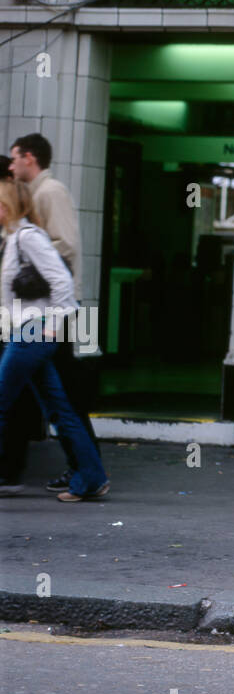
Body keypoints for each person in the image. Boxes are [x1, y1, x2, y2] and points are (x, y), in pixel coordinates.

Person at [0, 176, 108, 501]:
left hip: (33, 332)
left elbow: (62, 280)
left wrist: (52, 326)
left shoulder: (28, 237)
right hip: (23, 332)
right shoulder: (12, 238)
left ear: (5, 206)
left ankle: (90, 477)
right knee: (59, 408)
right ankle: (91, 478)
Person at [9, 132, 94, 493]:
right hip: (46, 314)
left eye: (15, 158)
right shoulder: (35, 195)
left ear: (30, 158)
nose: (11, 166)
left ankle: (88, 469)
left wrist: (26, 265)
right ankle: (85, 470)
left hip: (55, 314)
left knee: (67, 396)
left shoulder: (50, 192)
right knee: (56, 395)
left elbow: (65, 247)